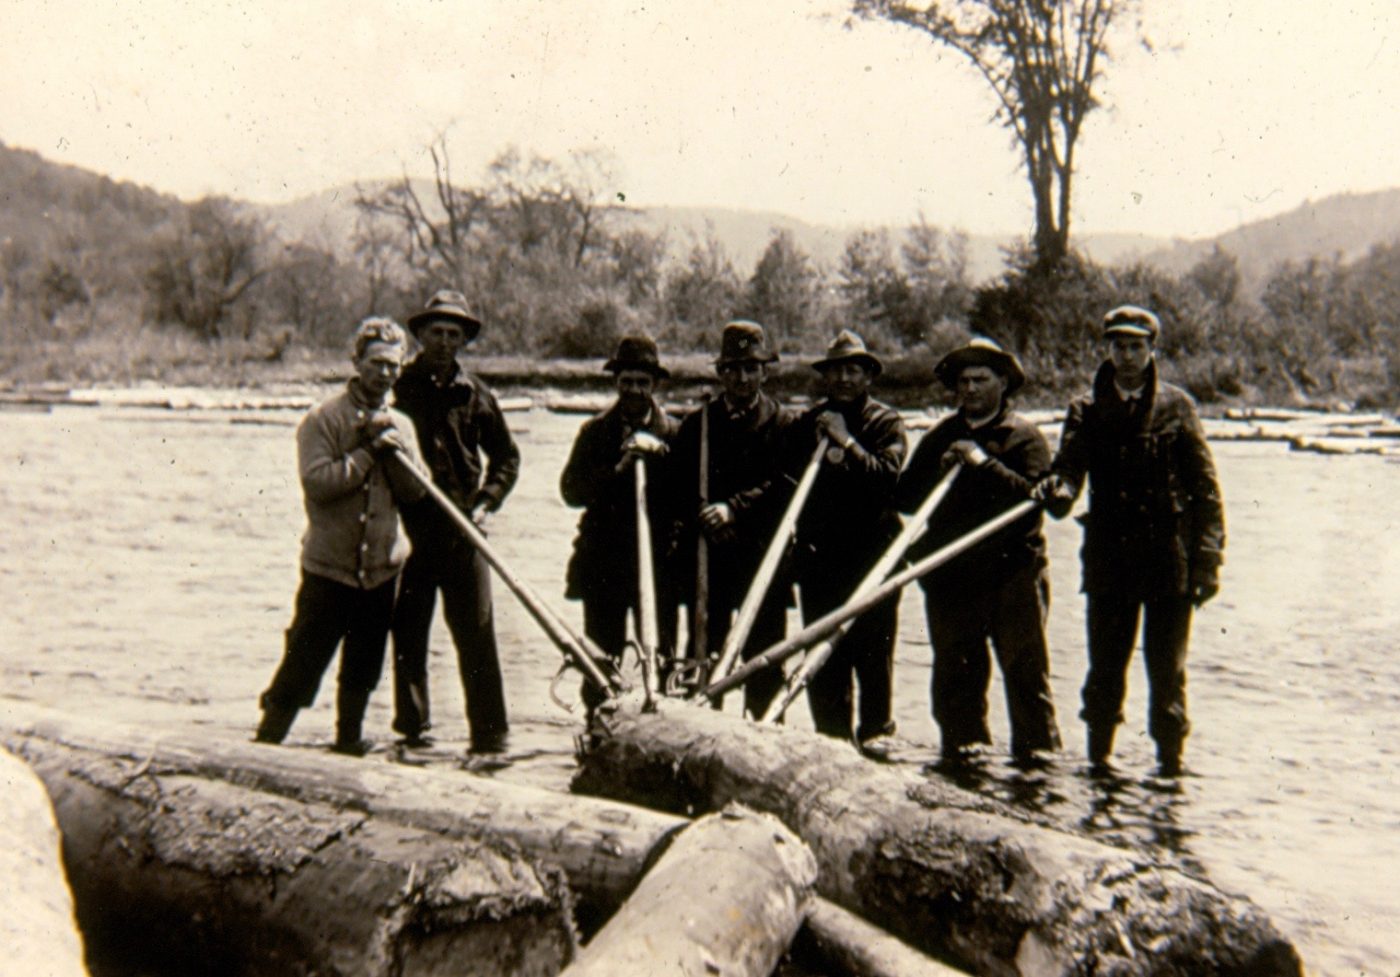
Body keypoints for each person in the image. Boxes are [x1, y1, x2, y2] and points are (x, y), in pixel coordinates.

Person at [1036, 305, 1225, 776]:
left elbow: (1206, 491)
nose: (1126, 355)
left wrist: (1208, 564)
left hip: (1168, 562)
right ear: (1107, 349)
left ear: (1151, 350)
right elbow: (1068, 472)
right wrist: (1056, 489)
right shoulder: (1086, 408)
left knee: (1167, 675)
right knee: (1104, 670)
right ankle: (1099, 767)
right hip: (1110, 560)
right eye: (1118, 345)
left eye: (1136, 346)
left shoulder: (1178, 407)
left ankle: (1171, 772)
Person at [255, 317, 427, 756]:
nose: (384, 374)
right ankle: (268, 740)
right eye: (376, 363)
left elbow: (417, 490)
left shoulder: (402, 426)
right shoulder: (322, 420)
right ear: (357, 362)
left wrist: (396, 452)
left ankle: (348, 742)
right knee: (304, 659)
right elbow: (319, 484)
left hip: (381, 570)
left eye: (393, 365)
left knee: (364, 664)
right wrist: (368, 452)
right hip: (329, 568)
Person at [896, 337, 1061, 766]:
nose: (969, 389)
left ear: (1003, 383)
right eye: (962, 381)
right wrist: (940, 469)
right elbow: (906, 499)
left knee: (1025, 678)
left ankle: (1037, 776)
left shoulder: (1025, 438)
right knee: (955, 681)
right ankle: (964, 770)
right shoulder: (940, 437)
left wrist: (983, 464)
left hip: (1013, 576)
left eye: (980, 380)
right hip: (952, 577)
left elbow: (1032, 504)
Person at [389, 289, 521, 754]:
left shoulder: (477, 394)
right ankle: (411, 737)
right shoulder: (398, 389)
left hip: (465, 534)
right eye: (436, 332)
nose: (445, 341)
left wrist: (487, 502)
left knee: (478, 641)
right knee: (408, 641)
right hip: (412, 535)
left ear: (464, 339)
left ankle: (490, 741)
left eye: (454, 334)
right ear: (421, 335)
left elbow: (506, 458)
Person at [668, 320, 796, 714]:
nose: (742, 378)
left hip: (762, 557)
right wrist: (703, 516)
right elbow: (675, 488)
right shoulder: (697, 424)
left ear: (764, 372)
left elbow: (787, 486)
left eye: (751, 368)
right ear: (721, 373)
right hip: (710, 558)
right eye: (734, 369)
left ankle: (764, 734)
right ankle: (702, 728)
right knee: (705, 650)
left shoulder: (784, 424)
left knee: (764, 657)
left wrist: (734, 509)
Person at [787, 330, 906, 752]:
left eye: (852, 370)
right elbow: (787, 485)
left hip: (874, 563)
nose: (842, 379)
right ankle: (832, 745)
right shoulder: (807, 423)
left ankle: (876, 741)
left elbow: (888, 481)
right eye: (835, 370)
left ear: (868, 376)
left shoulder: (886, 423)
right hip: (820, 566)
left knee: (874, 660)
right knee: (824, 665)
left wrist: (846, 441)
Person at [560, 335, 679, 712]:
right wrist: (618, 470)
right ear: (616, 382)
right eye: (626, 381)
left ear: (655, 385)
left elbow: (687, 494)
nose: (633, 390)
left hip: (659, 565)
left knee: (661, 658)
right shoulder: (595, 432)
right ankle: (598, 733)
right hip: (604, 565)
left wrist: (661, 456)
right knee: (602, 661)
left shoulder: (675, 432)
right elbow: (570, 491)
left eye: (642, 382)